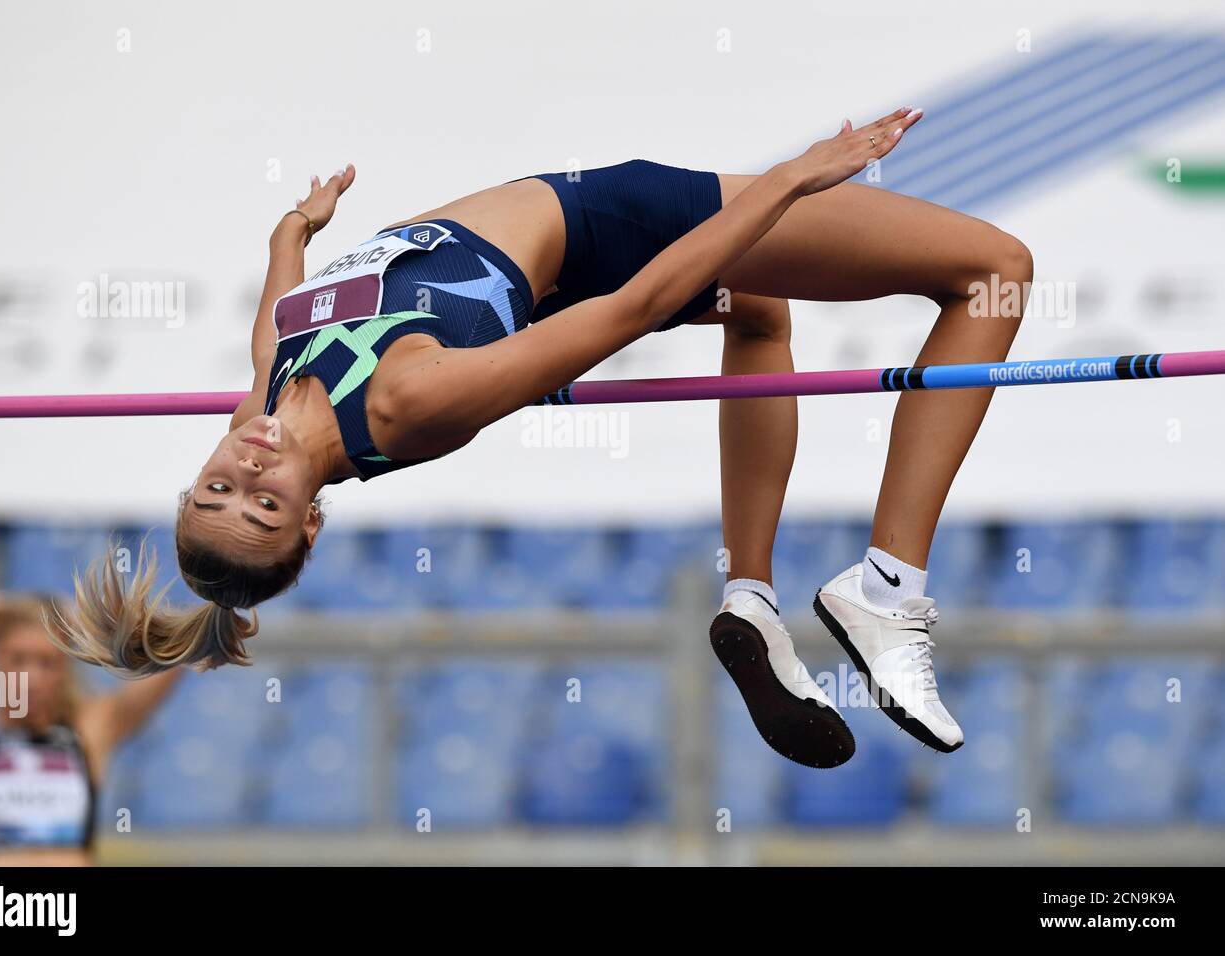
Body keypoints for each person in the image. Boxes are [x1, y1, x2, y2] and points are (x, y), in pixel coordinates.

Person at [53, 106, 1033, 767]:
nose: (243, 470)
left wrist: (291, 233)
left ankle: (752, 594)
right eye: (262, 503)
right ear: (310, 522)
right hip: (610, 223)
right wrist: (790, 180)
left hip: (566, 248)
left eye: (214, 488)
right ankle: (887, 586)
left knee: (761, 313)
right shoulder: (411, 401)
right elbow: (632, 306)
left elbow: (275, 318)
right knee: (992, 267)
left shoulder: (260, 406)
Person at [0, 596, 179, 864]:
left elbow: (174, 654)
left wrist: (94, 625)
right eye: (18, 660)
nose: (31, 679)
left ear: (64, 668)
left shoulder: (87, 735)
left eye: (47, 662)